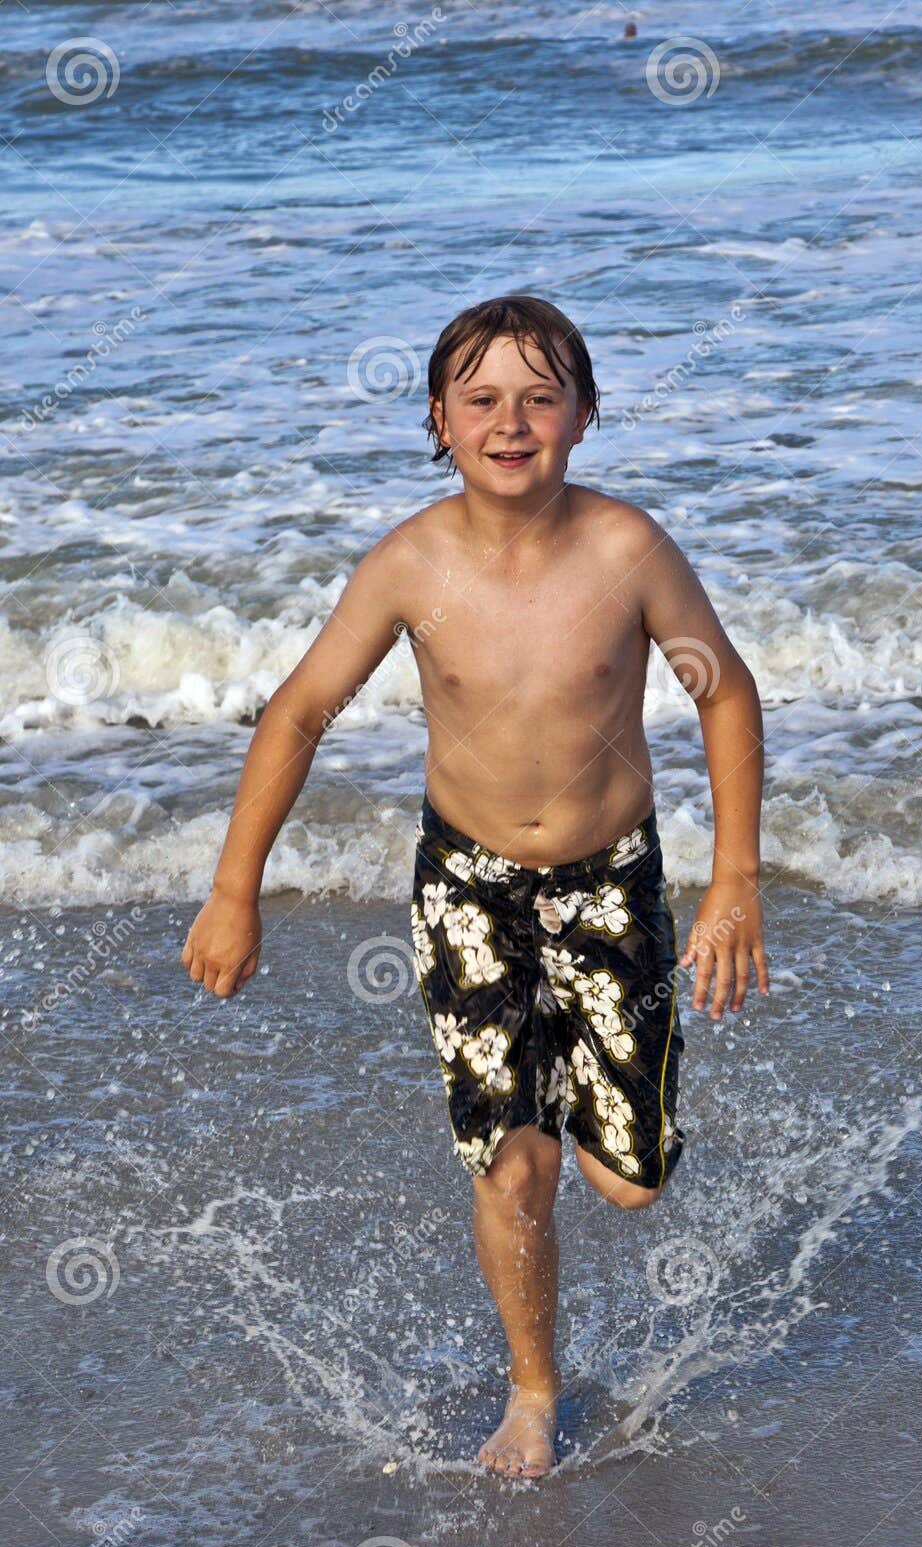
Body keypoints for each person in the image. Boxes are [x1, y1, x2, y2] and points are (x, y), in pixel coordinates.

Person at [181, 294, 769, 1481]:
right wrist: (234, 888)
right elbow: (299, 713)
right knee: (514, 1162)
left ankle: (605, 1115)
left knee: (626, 1185)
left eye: (540, 397)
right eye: (483, 399)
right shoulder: (410, 564)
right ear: (439, 421)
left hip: (611, 883)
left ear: (584, 416)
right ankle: (531, 1394)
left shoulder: (627, 552)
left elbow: (723, 692)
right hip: (467, 887)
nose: (512, 422)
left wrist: (732, 882)